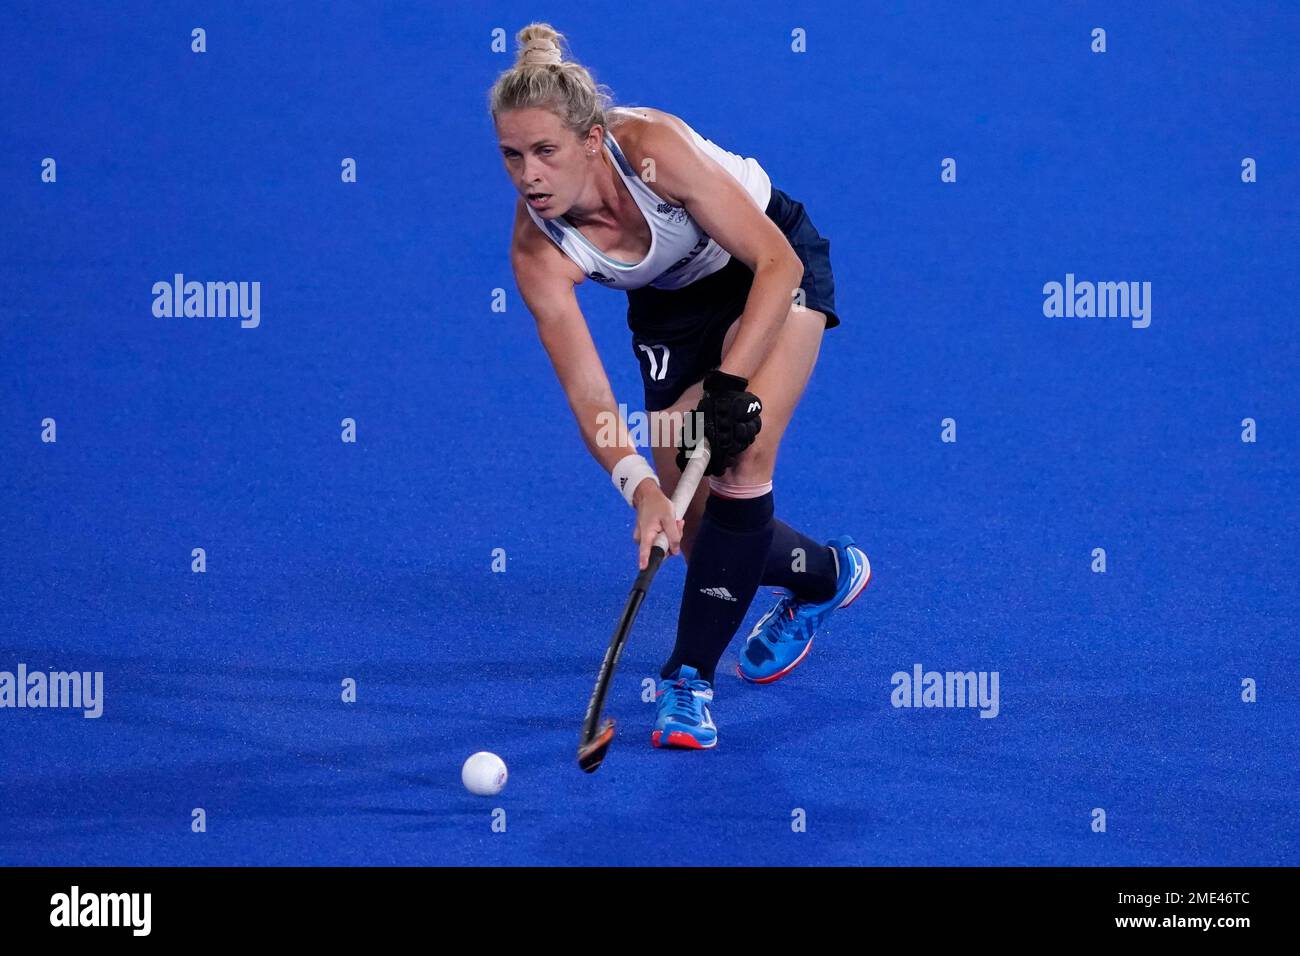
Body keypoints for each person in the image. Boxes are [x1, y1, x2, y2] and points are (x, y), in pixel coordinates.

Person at [489, 23, 870, 750]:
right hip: (671, 310)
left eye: (545, 151)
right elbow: (588, 395)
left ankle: (686, 680)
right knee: (695, 531)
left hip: (765, 262)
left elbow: (776, 264)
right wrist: (639, 489)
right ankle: (826, 574)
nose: (528, 175)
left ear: (593, 141)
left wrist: (730, 386)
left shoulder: (651, 149)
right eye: (511, 155)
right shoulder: (538, 249)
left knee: (735, 453)